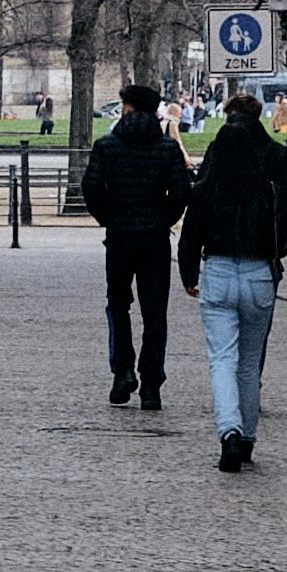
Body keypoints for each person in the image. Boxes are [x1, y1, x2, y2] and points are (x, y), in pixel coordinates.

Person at [178, 91, 287, 473]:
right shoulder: (271, 169)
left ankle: (229, 431)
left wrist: (187, 272)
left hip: (217, 269)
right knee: (249, 363)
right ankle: (247, 438)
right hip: (259, 269)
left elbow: (192, 224)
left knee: (222, 360)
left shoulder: (214, 172)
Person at [76, 86, 192, 410]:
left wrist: (108, 217)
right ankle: (151, 383)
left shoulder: (107, 146)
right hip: (154, 236)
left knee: (118, 304)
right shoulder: (167, 149)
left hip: (120, 235)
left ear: (127, 109)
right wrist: (162, 218)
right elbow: (181, 192)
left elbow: (92, 187)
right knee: (155, 313)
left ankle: (122, 370)